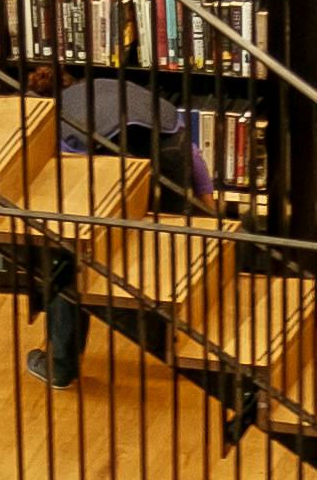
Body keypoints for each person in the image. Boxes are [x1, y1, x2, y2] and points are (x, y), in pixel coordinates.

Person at [27, 76, 213, 391]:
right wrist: (209, 211)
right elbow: (193, 153)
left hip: (110, 159)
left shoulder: (60, 117)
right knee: (161, 255)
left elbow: (72, 171)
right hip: (170, 151)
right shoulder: (103, 85)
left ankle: (60, 366)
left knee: (68, 258)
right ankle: (169, 342)